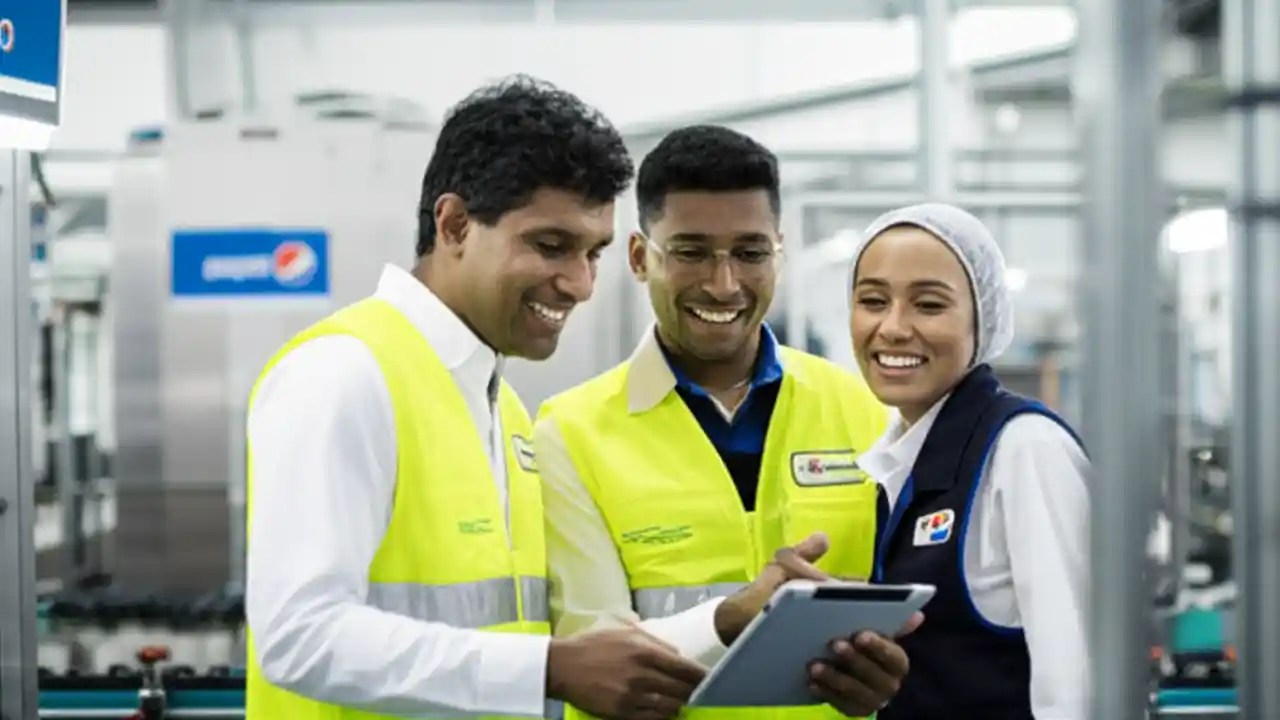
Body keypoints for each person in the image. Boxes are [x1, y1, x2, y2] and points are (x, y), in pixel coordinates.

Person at [244, 76, 714, 720]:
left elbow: (564, 648)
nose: (580, 284)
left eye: (593, 254)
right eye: (550, 246)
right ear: (456, 224)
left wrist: (732, 619)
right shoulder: (344, 375)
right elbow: (298, 635)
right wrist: (547, 669)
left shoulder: (504, 408)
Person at [534, 125, 915, 719]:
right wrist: (731, 619)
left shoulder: (866, 410)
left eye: (750, 253)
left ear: (778, 252)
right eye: (690, 253)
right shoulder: (570, 433)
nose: (724, 284)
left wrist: (886, 676)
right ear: (639, 257)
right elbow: (596, 656)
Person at [848, 203, 1090, 719]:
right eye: (872, 301)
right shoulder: (900, 463)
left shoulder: (1024, 450)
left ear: (983, 319)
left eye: (928, 305)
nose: (892, 327)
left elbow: (1080, 681)